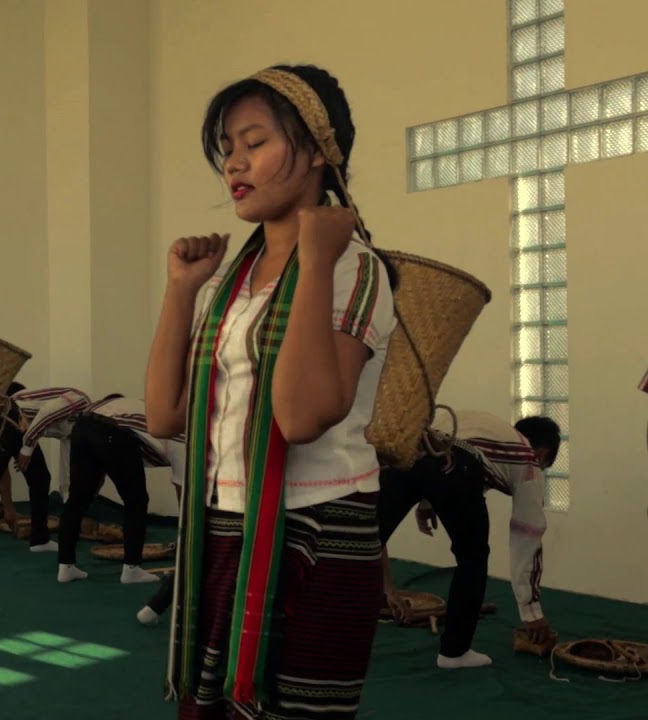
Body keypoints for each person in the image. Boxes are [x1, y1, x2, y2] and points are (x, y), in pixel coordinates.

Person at [146, 65, 397, 719]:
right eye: (228, 147)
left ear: (316, 149)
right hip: (221, 526)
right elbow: (165, 415)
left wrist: (315, 262)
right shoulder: (232, 279)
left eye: (255, 142)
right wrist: (181, 291)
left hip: (318, 531)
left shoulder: (355, 268)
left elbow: (301, 416)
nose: (235, 162)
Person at [378, 411, 560, 669]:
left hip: (408, 451)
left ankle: (329, 635)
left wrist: (427, 501)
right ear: (541, 454)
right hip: (456, 465)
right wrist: (532, 612)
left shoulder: (489, 429)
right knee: (473, 558)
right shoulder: (528, 459)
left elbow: (435, 454)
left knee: (365, 540)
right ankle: (454, 652)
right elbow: (527, 535)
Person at [55, 396, 184, 585]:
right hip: (113, 431)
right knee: (136, 502)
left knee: (77, 499)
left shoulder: (147, 411)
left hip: (82, 425)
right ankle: (132, 570)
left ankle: (65, 567)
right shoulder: (182, 437)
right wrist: (185, 533)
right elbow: (183, 490)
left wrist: (91, 484)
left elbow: (105, 461)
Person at [0, 382, 72, 558]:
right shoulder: (74, 403)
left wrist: (66, 489)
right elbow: (41, 418)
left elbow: (55, 439)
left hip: (23, 428)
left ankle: (40, 540)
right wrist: (26, 451)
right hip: (10, 421)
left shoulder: (71, 418)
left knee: (41, 478)